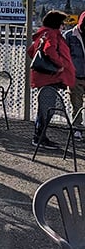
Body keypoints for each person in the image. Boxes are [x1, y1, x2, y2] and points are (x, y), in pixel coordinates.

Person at [28, 9, 76, 148]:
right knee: (47, 109)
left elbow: (31, 51)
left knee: (44, 109)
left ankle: (39, 137)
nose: (64, 27)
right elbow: (49, 50)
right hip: (50, 77)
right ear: (57, 24)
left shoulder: (42, 34)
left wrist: (43, 64)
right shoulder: (52, 34)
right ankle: (39, 138)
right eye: (62, 24)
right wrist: (59, 65)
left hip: (44, 77)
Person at [64, 11, 85, 140]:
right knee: (76, 104)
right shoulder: (69, 36)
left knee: (77, 103)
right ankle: (77, 129)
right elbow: (64, 56)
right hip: (75, 76)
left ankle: (78, 128)